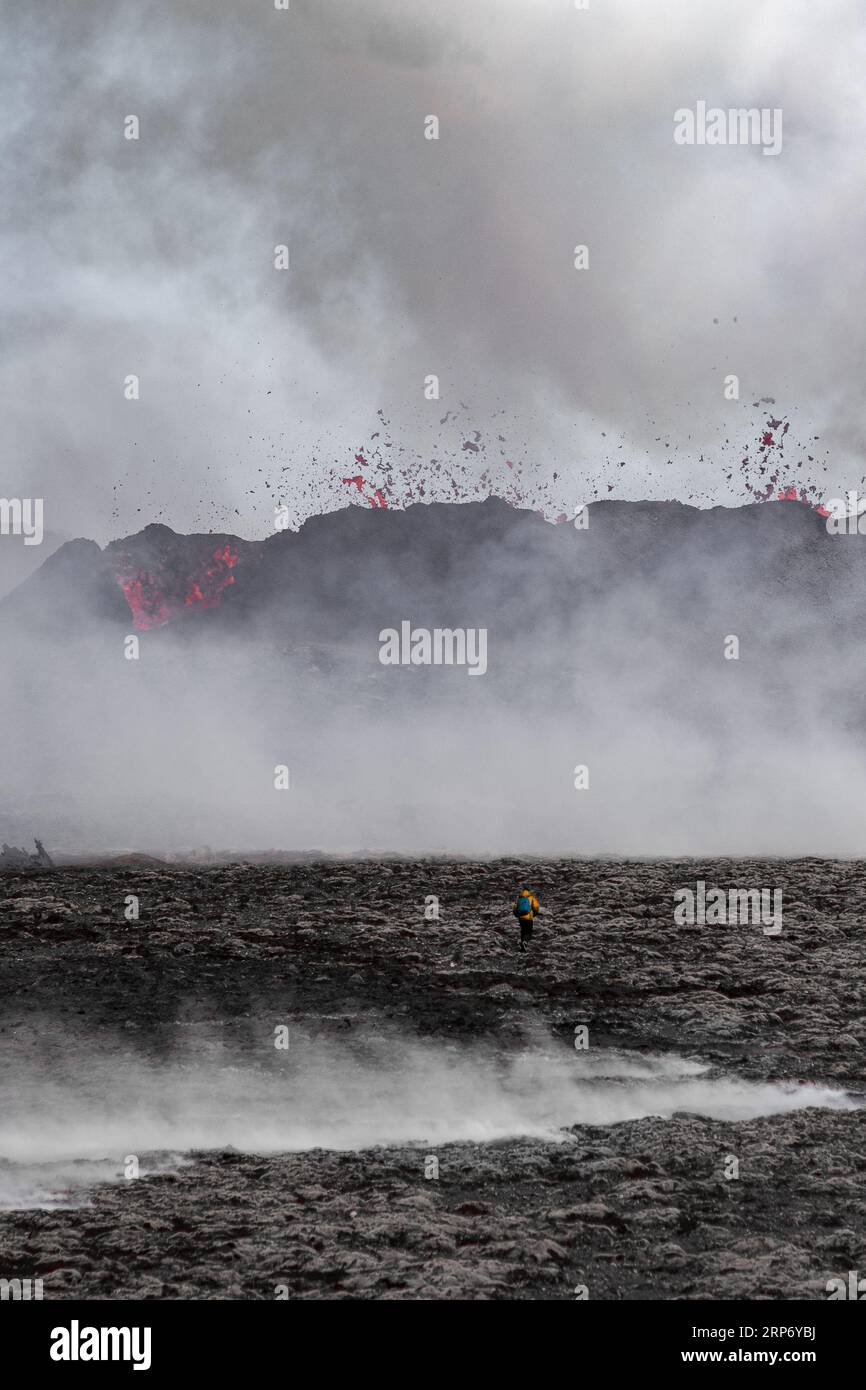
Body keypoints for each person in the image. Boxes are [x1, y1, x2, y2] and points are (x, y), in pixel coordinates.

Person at [513, 887, 540, 953]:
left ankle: (522, 947)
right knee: (529, 932)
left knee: (523, 931)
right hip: (529, 918)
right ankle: (525, 942)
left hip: (521, 918)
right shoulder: (531, 897)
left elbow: (515, 909)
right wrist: (534, 914)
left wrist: (518, 915)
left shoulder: (519, 898)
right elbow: (536, 907)